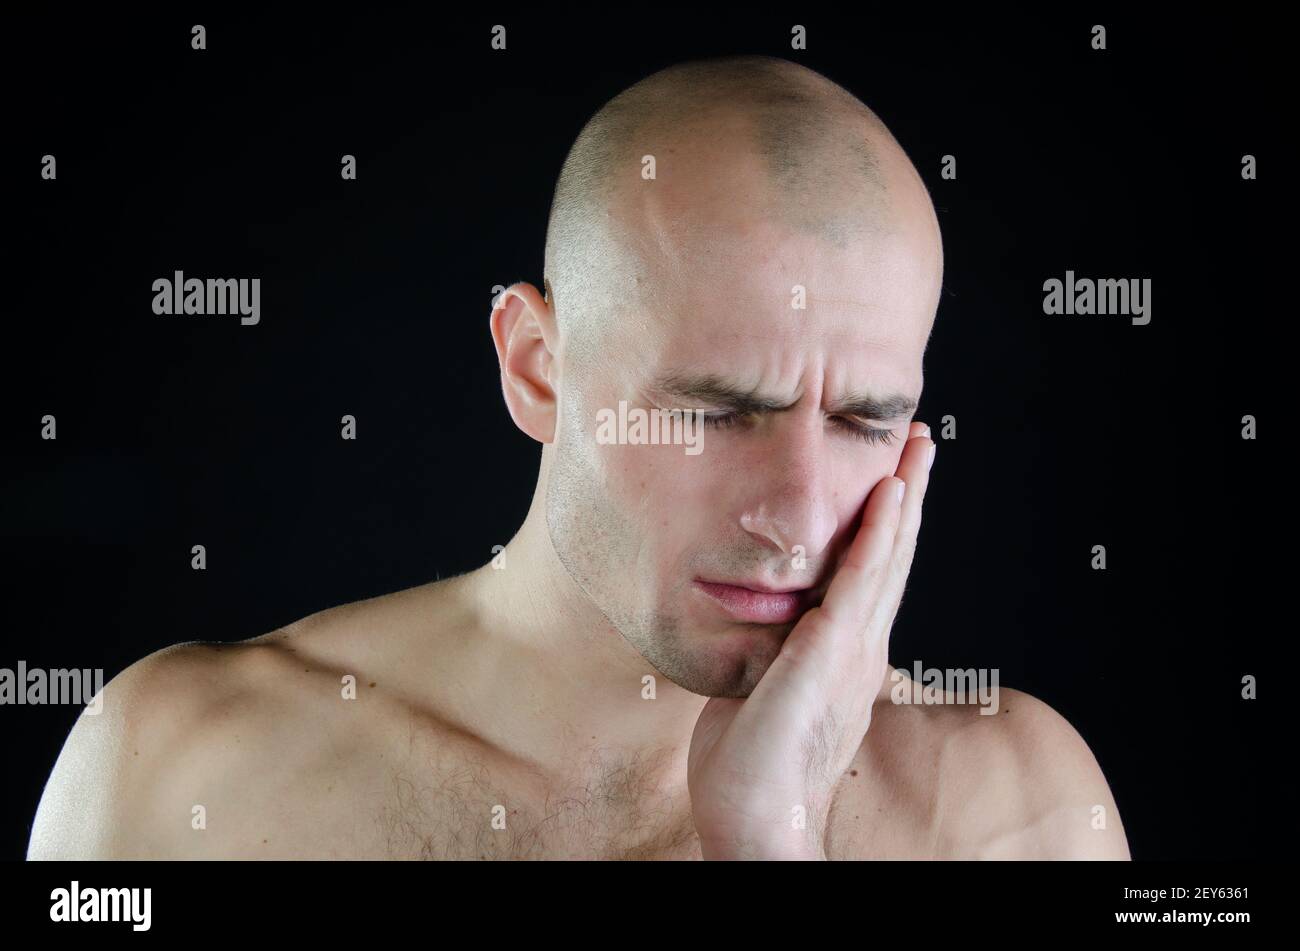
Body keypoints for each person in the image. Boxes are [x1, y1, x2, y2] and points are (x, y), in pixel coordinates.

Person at [28, 54, 1129, 860]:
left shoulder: (1011, 809)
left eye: (863, 422)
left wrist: (768, 841)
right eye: (718, 411)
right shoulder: (178, 771)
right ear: (538, 368)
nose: (798, 516)